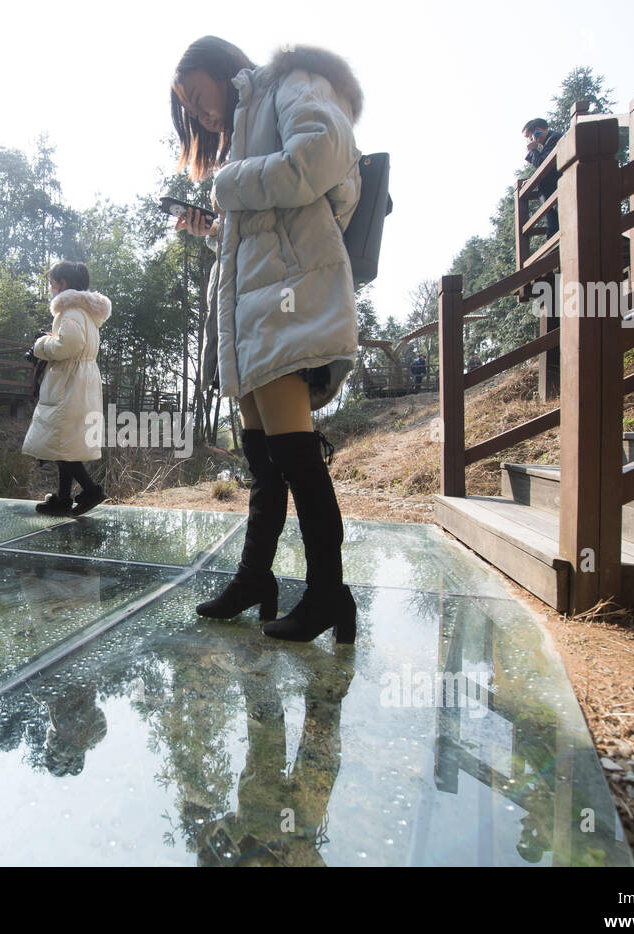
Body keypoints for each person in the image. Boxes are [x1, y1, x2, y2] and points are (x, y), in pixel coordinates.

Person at [172, 36, 361, 644]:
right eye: (189, 108)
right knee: (264, 463)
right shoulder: (243, 131)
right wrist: (212, 230)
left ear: (226, 71)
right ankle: (257, 577)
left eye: (199, 96)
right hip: (256, 315)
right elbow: (264, 223)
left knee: (296, 459)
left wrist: (228, 186)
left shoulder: (291, 82)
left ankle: (329, 592)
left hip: (290, 305)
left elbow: (323, 153)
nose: (200, 114)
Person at [22, 261, 110, 517]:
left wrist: (41, 345)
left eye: (52, 283)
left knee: (58, 440)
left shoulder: (69, 311)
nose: (50, 288)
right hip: (80, 381)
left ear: (63, 285)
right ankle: (63, 498)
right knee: (65, 442)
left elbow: (68, 346)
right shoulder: (86, 314)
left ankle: (92, 490)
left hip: (68, 383)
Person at [522, 119, 563, 236]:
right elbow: (546, 167)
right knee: (553, 232)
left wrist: (533, 150)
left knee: (555, 233)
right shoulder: (548, 143)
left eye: (529, 136)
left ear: (538, 130)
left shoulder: (554, 139)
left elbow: (542, 164)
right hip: (552, 197)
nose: (529, 140)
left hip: (557, 194)